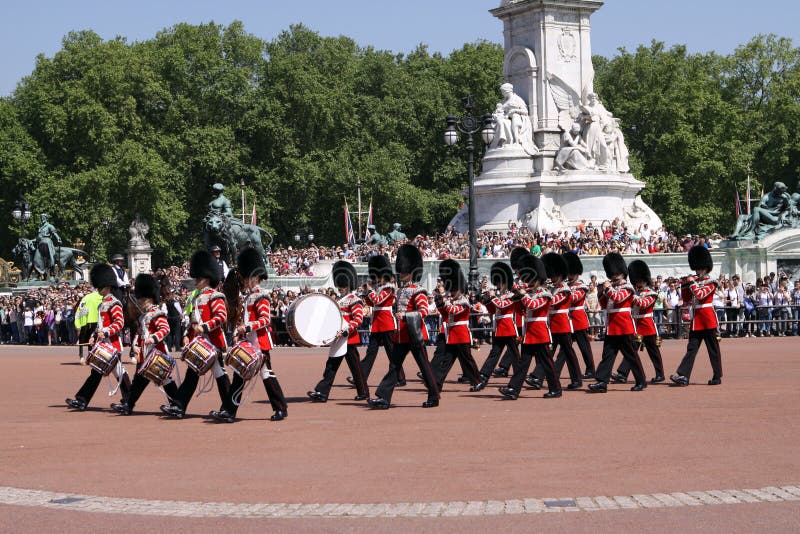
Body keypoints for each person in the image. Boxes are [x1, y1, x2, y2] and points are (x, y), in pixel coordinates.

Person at [210, 247, 287, 423]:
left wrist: (248, 327)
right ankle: (229, 410)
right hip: (250, 343)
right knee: (240, 376)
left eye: (248, 278)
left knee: (266, 375)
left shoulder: (261, 296)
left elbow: (266, 319)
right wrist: (241, 334)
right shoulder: (249, 296)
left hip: (260, 343)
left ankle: (280, 407)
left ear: (256, 277)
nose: (246, 281)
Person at [160, 250, 235, 419]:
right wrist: (188, 334)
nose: (196, 281)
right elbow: (193, 320)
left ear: (207, 278)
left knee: (219, 374)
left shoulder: (215, 296)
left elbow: (221, 317)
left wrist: (205, 327)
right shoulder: (196, 298)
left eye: (199, 278)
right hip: (199, 342)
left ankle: (228, 408)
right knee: (193, 375)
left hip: (213, 341)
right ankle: (179, 406)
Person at [368, 244, 439, 409]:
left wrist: (406, 316)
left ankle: (434, 395)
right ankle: (384, 398)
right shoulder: (400, 291)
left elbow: (423, 311)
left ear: (412, 272)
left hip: (414, 334)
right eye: (401, 271)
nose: (401, 274)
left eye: (405, 271)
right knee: (394, 365)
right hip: (401, 335)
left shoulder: (418, 290)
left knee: (424, 366)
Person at [65, 264, 132, 411]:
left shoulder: (114, 303)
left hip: (112, 344)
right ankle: (82, 400)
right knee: (96, 373)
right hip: (102, 344)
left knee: (119, 372)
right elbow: (100, 324)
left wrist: (106, 333)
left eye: (100, 287)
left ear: (106, 286)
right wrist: (94, 335)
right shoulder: (102, 303)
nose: (97, 289)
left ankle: (129, 401)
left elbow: (119, 323)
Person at [111, 274, 178, 415]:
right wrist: (135, 345)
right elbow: (139, 333)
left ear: (150, 299)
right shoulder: (143, 316)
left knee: (165, 379)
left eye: (143, 300)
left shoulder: (157, 313)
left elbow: (165, 329)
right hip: (144, 354)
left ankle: (177, 405)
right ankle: (128, 405)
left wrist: (153, 338)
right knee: (138, 382)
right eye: (140, 299)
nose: (141, 302)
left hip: (156, 352)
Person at [499, 254, 561, 399]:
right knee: (522, 364)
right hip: (529, 334)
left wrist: (522, 295)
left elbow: (533, 305)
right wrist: (516, 295)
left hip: (540, 333)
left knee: (547, 363)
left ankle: (556, 389)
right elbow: (520, 309)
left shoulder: (545, 294)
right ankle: (513, 389)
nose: (531, 282)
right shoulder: (529, 293)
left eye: (533, 280)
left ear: (540, 279)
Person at [307, 261, 369, 403]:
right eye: (339, 286)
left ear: (349, 284)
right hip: (339, 338)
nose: (340, 288)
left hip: (349, 338)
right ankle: (323, 392)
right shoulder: (339, 300)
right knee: (333, 365)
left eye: (343, 286)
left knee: (354, 367)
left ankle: (363, 392)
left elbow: (358, 319)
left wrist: (346, 331)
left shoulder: (354, 300)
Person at [587, 252, 647, 393]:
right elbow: (604, 304)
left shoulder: (628, 287)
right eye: (612, 274)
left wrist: (608, 288)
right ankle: (601, 382)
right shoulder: (612, 287)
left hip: (624, 326)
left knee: (631, 355)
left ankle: (641, 380)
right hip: (612, 326)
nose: (613, 276)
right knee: (607, 355)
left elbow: (619, 298)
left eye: (615, 274)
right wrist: (601, 293)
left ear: (621, 273)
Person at [527, 253, 583, 389]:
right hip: (551, 324)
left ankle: (577, 380)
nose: (552, 278)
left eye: (554, 275)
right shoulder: (551, 288)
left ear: (561, 274)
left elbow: (552, 303)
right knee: (548, 352)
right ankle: (538, 377)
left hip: (562, 324)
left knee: (569, 353)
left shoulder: (565, 289)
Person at [670, 246, 723, 386]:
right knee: (691, 349)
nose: (697, 271)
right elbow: (686, 299)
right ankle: (684, 376)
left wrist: (692, 283)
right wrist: (684, 285)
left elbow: (700, 295)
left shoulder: (711, 283)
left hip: (707, 319)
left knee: (713, 350)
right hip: (696, 320)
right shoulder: (696, 282)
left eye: (699, 269)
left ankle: (717, 376)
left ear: (705, 268)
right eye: (696, 269)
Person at [430, 260, 482, 391]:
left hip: (461, 334)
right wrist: (440, 303)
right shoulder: (453, 300)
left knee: (467, 360)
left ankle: (477, 381)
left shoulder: (464, 301)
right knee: (447, 361)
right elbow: (446, 315)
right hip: (452, 334)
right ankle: (437, 383)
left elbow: (454, 311)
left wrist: (445, 299)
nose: (452, 292)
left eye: (454, 290)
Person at [611, 260, 665, 383]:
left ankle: (660, 374)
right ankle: (623, 373)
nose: (639, 283)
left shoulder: (652, 293)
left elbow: (643, 304)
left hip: (647, 326)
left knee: (654, 352)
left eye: (641, 281)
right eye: (637, 281)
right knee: (631, 351)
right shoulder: (634, 292)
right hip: (636, 327)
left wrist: (632, 296)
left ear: (646, 281)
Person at [471, 261, 521, 391]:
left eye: (499, 283)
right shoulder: (501, 295)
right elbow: (494, 311)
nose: (498, 286)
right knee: (494, 354)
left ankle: (518, 380)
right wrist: (487, 300)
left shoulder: (512, 295)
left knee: (515, 356)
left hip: (509, 328)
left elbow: (503, 306)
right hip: (499, 328)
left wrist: (493, 298)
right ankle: (482, 378)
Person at [356, 254, 403, 385]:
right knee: (370, 352)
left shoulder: (389, 288)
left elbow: (378, 300)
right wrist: (366, 294)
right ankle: (361, 377)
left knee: (392, 353)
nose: (376, 279)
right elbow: (372, 304)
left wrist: (370, 292)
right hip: (377, 323)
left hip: (387, 323)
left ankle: (400, 377)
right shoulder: (380, 288)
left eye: (378, 277)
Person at [563, 252, 595, 377]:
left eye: (572, 273)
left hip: (578, 319)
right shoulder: (565, 285)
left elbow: (574, 298)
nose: (570, 276)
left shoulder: (581, 285)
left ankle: (590, 369)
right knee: (564, 349)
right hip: (566, 320)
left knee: (584, 347)